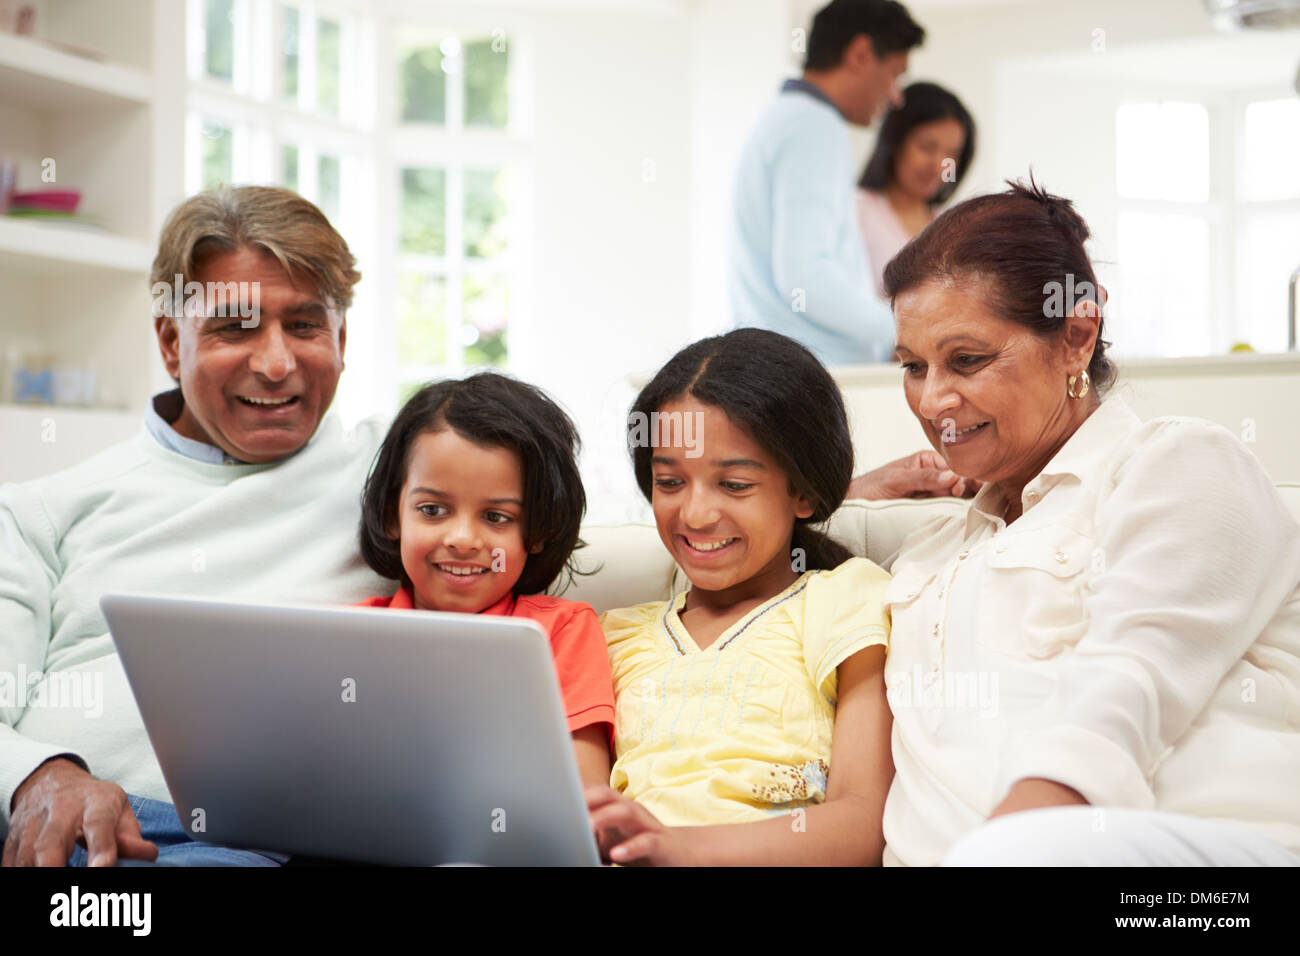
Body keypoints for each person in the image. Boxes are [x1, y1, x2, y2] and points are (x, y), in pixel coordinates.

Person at [881, 177, 1300, 866]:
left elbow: (1124, 686)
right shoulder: (928, 551)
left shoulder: (1180, 463)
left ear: (1076, 336)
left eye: (967, 360)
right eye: (912, 367)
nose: (933, 400)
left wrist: (1006, 850)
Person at [0, 185, 388, 866]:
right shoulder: (45, 509)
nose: (275, 364)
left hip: (239, 844)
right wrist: (39, 773)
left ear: (342, 339)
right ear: (171, 341)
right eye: (235, 328)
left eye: (304, 326)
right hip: (45, 816)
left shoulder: (401, 482)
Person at [587, 329, 894, 865]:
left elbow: (863, 823)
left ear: (804, 492)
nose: (696, 514)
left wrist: (680, 848)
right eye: (669, 482)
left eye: (734, 485)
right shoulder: (611, 634)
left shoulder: (845, 597)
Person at [355, 372, 614, 788]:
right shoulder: (349, 634)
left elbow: (586, 798)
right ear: (391, 515)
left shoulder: (561, 633)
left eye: (497, 517)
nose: (461, 540)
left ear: (538, 532)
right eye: (433, 510)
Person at [728, 0, 924, 367]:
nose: (896, 95)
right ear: (861, 54)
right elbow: (804, 278)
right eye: (895, 73)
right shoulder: (813, 126)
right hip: (815, 369)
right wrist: (912, 329)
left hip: (785, 364)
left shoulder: (786, 118)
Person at [856, 81, 974, 296]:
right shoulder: (857, 210)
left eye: (952, 154)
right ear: (894, 142)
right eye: (927, 147)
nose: (939, 165)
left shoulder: (954, 226)